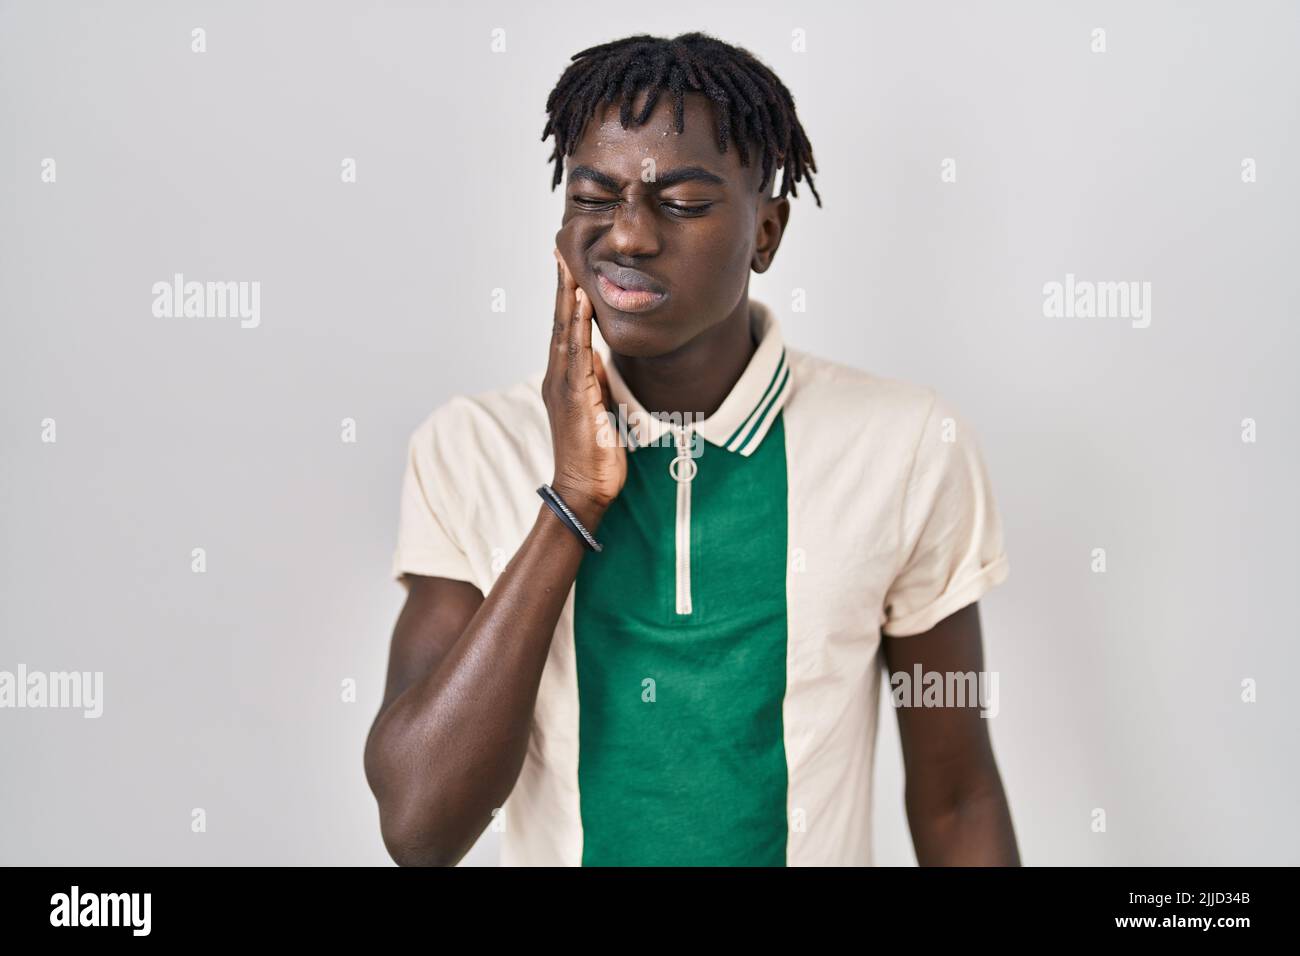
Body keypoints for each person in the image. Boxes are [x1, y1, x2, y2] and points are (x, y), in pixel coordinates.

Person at [364, 31, 1018, 866]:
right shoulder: (470, 447)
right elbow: (419, 826)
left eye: (681, 203)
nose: (628, 237)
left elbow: (959, 799)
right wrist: (571, 499)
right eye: (594, 197)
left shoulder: (907, 446)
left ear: (767, 233)